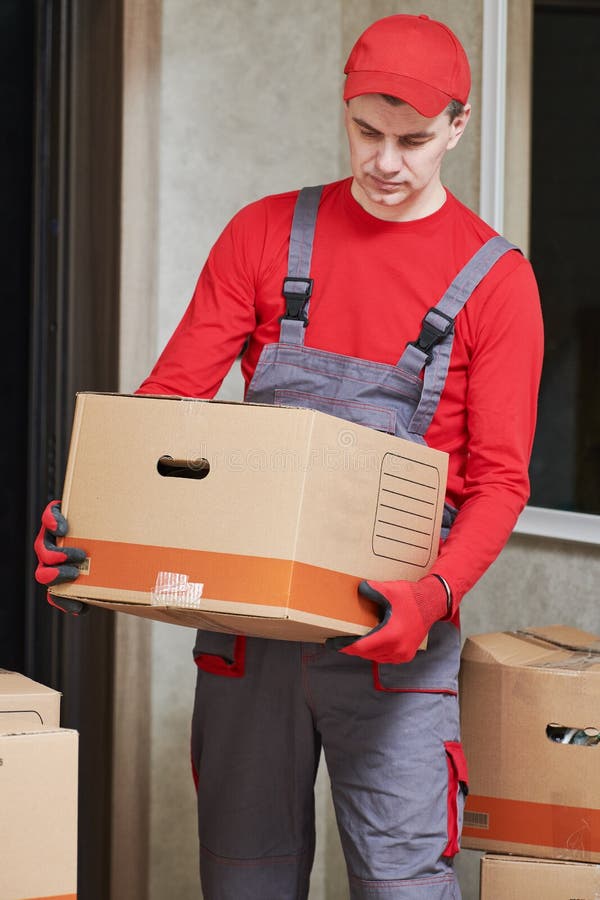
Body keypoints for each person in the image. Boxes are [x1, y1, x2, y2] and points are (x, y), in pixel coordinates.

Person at [34, 13, 543, 899]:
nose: (386, 162)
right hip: (246, 637)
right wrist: (100, 528)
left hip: (397, 642)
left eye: (414, 140)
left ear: (458, 128)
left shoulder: (498, 282)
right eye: (366, 132)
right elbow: (170, 407)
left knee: (402, 885)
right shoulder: (266, 233)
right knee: (245, 882)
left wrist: (431, 597)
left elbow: (501, 482)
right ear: (345, 112)